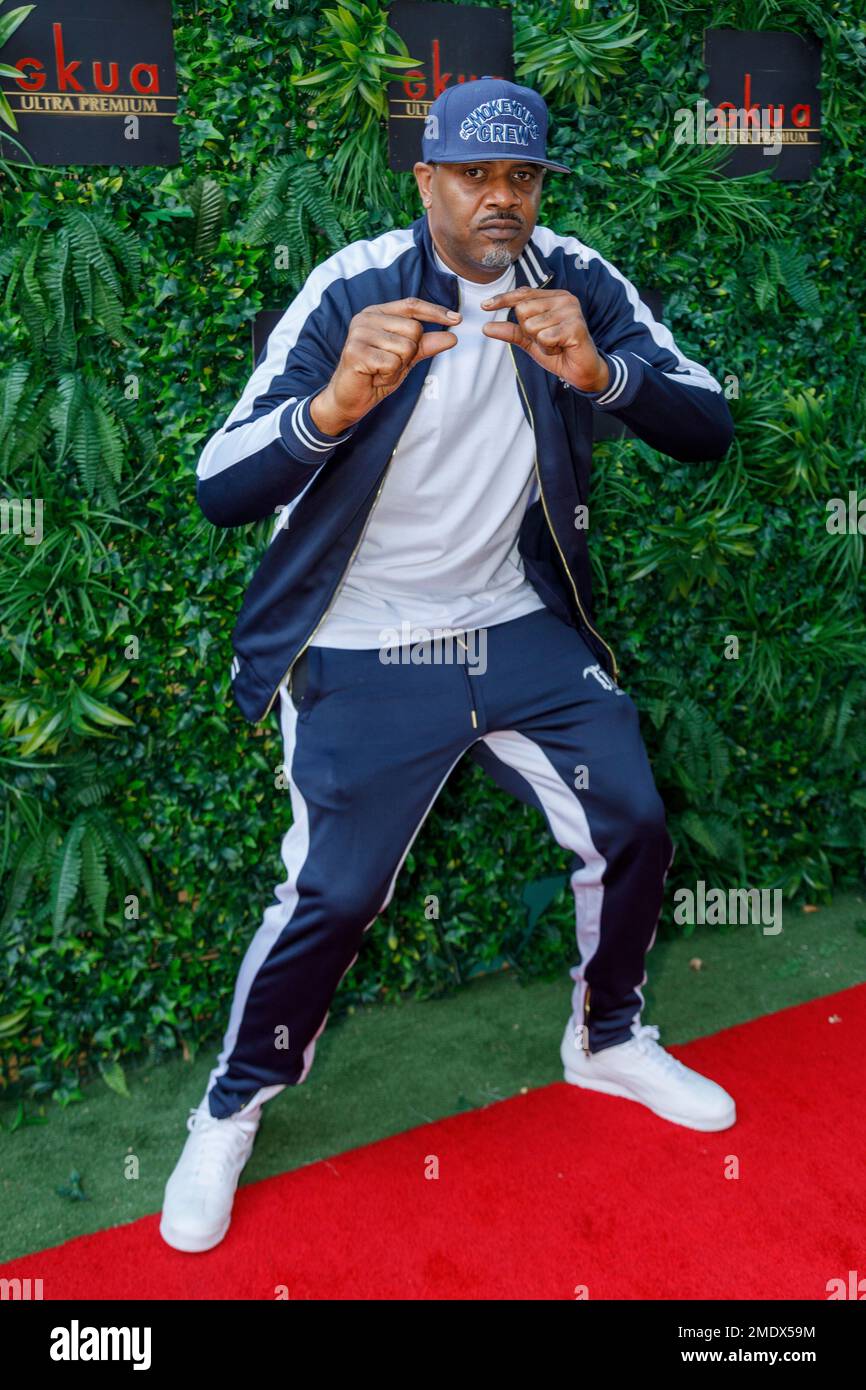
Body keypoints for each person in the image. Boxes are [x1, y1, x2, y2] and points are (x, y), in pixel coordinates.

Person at [160, 77, 737, 1254]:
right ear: (424, 180)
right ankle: (229, 1108)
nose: (498, 198)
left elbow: (704, 425)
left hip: (515, 621)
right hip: (365, 635)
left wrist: (599, 376)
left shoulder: (575, 279)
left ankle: (607, 1038)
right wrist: (331, 405)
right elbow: (221, 486)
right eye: (472, 174)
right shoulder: (353, 286)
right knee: (330, 892)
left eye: (519, 176)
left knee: (628, 817)